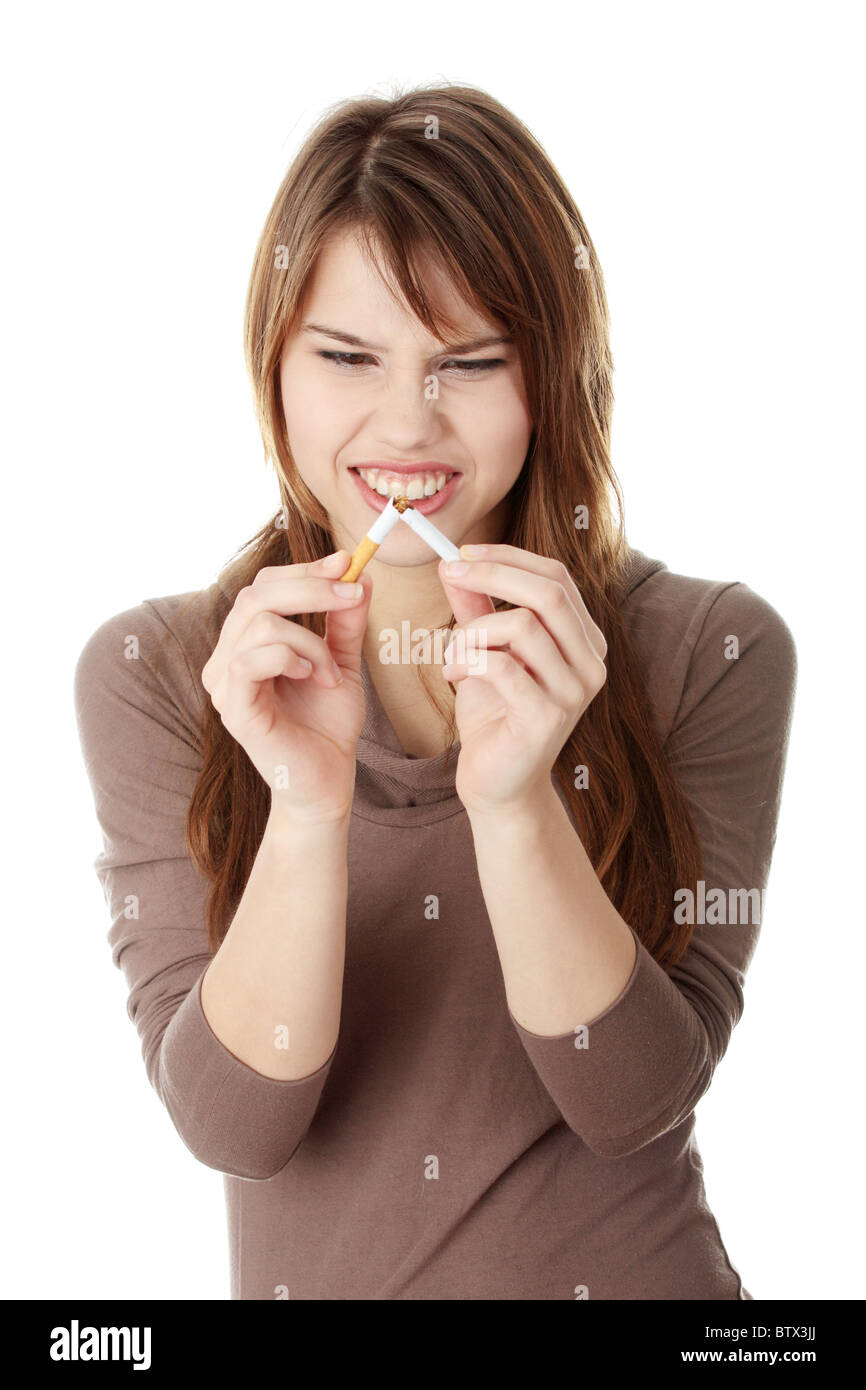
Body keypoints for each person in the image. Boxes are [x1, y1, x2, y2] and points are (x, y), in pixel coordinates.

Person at [74, 83, 796, 1300]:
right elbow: (236, 1123)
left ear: (549, 375)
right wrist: (306, 811)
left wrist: (515, 805)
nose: (405, 422)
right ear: (274, 367)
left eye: (469, 362)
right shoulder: (161, 676)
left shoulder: (708, 648)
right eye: (348, 356)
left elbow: (628, 1100)